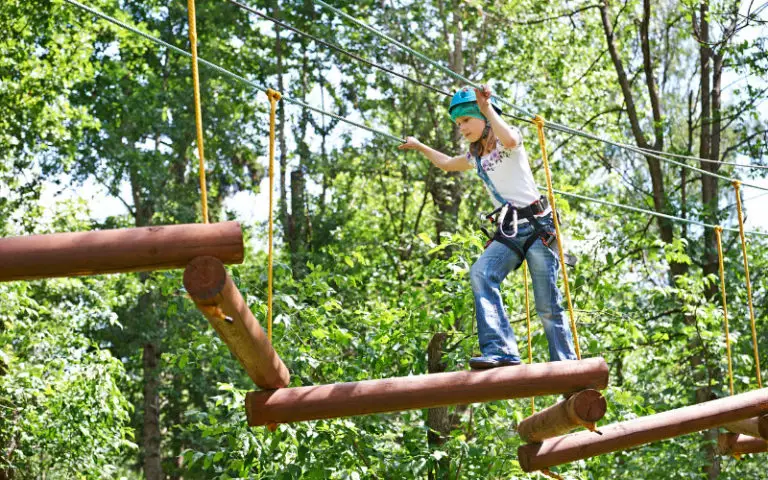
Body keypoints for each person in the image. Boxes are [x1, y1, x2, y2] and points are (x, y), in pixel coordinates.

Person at [398, 85, 577, 369]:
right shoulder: (475, 157)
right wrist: (420, 146)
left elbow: (507, 135)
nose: (462, 128)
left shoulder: (510, 141)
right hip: (510, 231)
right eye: (459, 124)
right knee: (481, 272)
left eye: (466, 120)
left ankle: (566, 366)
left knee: (546, 304)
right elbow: (446, 164)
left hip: (537, 226)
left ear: (482, 118)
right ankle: (502, 350)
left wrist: (485, 108)